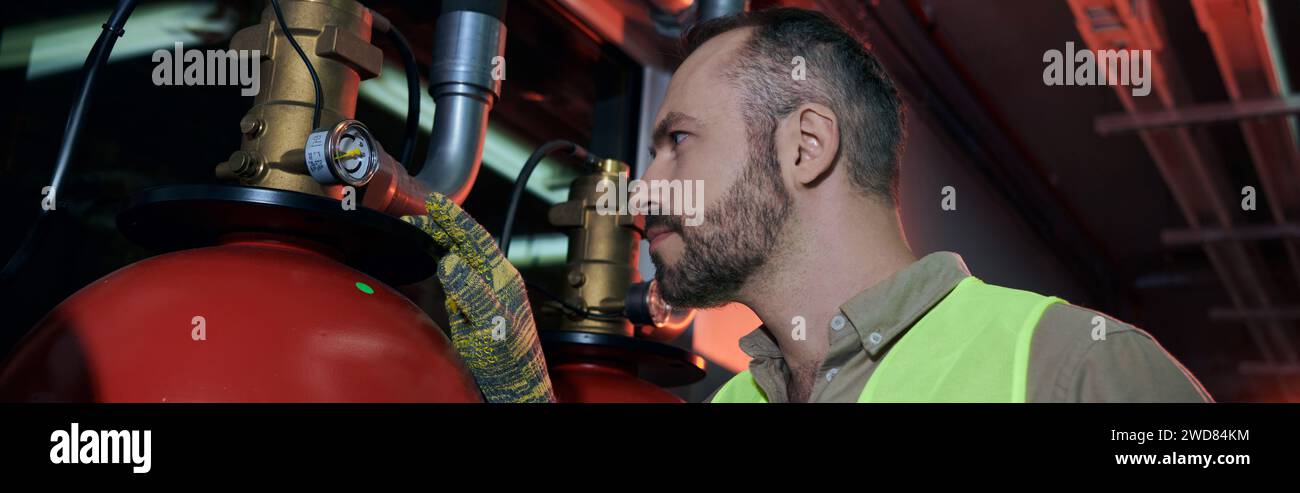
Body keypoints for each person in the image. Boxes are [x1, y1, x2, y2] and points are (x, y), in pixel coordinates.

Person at [636, 8, 1211, 403]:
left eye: (678, 142)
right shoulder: (731, 398)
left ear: (806, 147)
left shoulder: (1080, 370)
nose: (643, 191)